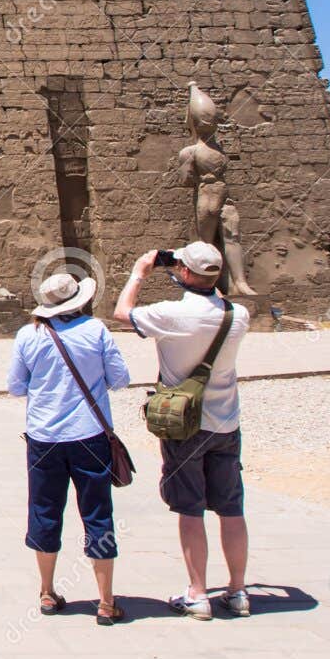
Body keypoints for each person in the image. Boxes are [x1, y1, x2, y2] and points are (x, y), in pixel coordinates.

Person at [113, 240, 253, 620]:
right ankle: (238, 591)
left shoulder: (170, 315)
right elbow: (216, 298)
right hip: (226, 424)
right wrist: (198, 275)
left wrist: (140, 272)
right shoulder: (237, 316)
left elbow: (121, 312)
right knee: (231, 508)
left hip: (184, 425)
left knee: (191, 510)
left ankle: (197, 592)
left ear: (186, 274)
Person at [8, 271, 132, 625]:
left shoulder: (28, 335)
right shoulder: (95, 331)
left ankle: (47, 592)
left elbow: (16, 386)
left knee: (44, 510)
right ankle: (106, 601)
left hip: (44, 438)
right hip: (89, 436)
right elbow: (121, 379)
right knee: (97, 512)